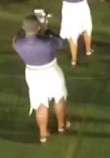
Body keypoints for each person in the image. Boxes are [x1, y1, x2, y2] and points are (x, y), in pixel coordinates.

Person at [13, 14, 70, 143]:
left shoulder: (18, 44)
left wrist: (23, 30)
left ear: (23, 27)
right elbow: (62, 43)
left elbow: (16, 39)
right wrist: (48, 30)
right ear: (38, 28)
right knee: (59, 97)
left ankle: (43, 133)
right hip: (51, 71)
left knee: (40, 104)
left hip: (33, 74)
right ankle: (62, 125)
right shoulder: (48, 42)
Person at [56, 0, 97, 65]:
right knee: (87, 28)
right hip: (81, 8)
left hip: (67, 8)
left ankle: (74, 59)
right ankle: (88, 50)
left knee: (72, 35)